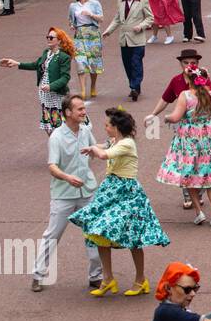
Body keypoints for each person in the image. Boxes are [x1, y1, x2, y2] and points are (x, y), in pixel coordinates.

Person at [69, 106, 170, 297]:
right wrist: (90, 147)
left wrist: (92, 149)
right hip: (111, 189)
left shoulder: (127, 144)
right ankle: (108, 279)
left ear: (116, 127)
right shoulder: (115, 140)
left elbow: (105, 154)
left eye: (107, 125)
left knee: (133, 236)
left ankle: (141, 280)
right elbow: (103, 147)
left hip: (127, 191)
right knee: (97, 229)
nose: (105, 127)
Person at [33, 94, 103, 292]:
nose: (83, 112)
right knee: (53, 234)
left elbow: (96, 148)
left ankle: (95, 276)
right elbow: (52, 166)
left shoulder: (86, 130)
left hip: (87, 190)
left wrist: (113, 145)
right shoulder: (56, 136)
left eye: (83, 108)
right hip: (63, 193)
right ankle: (38, 274)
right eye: (79, 109)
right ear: (68, 113)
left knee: (94, 234)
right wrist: (67, 177)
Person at [154, 67, 211, 225]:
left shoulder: (185, 95)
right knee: (209, 174)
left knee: (190, 174)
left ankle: (199, 212)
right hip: (208, 136)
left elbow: (175, 117)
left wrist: (166, 118)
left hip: (190, 138)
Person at [10, 27, 74, 133]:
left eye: (51, 37)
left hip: (56, 95)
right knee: (48, 126)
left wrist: (51, 86)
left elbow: (65, 78)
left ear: (59, 40)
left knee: (59, 125)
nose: (48, 39)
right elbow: (36, 65)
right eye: (47, 37)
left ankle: (63, 145)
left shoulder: (63, 57)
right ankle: (55, 146)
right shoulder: (46, 53)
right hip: (44, 94)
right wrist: (18, 64)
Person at [103, 0, 154, 100]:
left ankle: (134, 86)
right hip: (124, 39)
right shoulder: (120, 1)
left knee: (136, 63)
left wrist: (141, 26)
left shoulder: (142, 0)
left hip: (137, 39)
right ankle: (135, 87)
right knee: (127, 64)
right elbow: (117, 19)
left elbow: (150, 18)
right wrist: (108, 31)